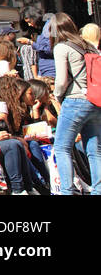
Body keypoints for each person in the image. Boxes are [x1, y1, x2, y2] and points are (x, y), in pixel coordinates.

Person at [51, 12, 101, 196]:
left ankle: (67, 191)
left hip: (74, 101)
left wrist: (57, 96)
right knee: (95, 150)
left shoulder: (62, 47)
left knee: (62, 147)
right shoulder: (89, 46)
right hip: (95, 102)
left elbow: (62, 81)